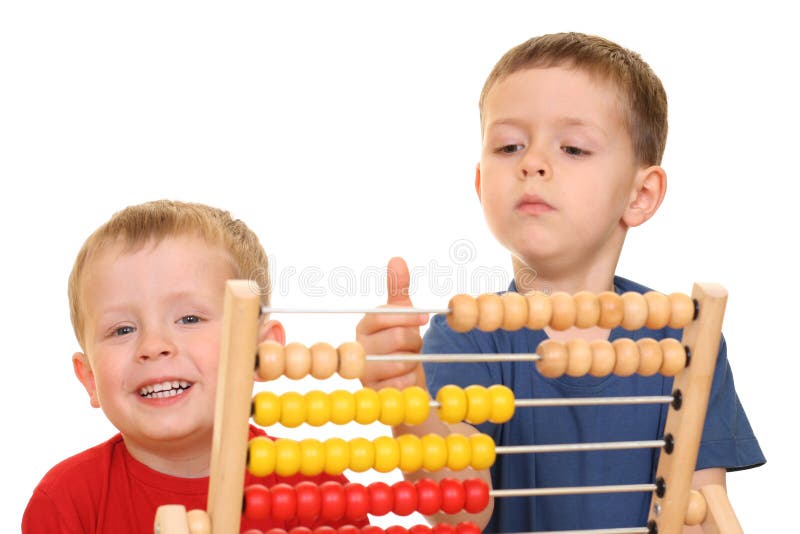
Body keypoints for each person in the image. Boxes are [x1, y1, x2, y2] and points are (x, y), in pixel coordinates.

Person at [357, 33, 765, 532]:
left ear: (640, 195)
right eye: (509, 146)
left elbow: (703, 510)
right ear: (483, 183)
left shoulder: (686, 342)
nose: (532, 162)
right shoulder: (466, 338)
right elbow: (462, 508)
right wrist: (408, 402)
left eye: (572, 147)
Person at [23, 200, 368, 533]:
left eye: (189, 318)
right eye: (122, 329)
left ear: (260, 352)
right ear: (89, 379)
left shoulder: (320, 495)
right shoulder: (65, 502)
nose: (154, 346)